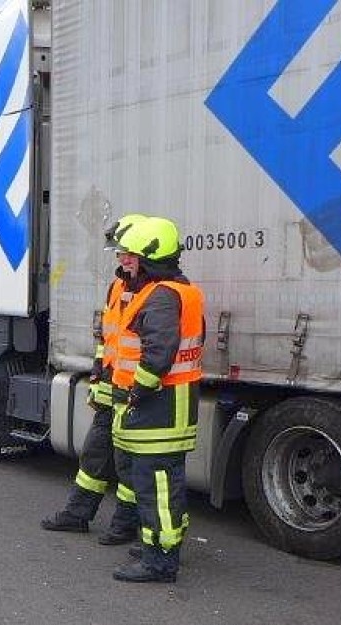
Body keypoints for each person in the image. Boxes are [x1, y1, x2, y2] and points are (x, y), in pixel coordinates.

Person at [108, 217, 206, 583]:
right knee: (161, 485)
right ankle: (159, 546)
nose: (125, 261)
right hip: (168, 405)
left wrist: (137, 392)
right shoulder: (177, 291)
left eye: (131, 255)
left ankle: (160, 562)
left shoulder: (162, 295)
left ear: (150, 258)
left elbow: (158, 355)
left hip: (159, 408)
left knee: (158, 488)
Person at [40, 213, 148, 543]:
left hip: (135, 393)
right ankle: (78, 514)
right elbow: (109, 340)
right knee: (94, 453)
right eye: (120, 253)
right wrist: (98, 375)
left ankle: (124, 523)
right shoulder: (117, 286)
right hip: (111, 387)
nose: (122, 259)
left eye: (129, 253)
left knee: (128, 463)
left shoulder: (153, 293)